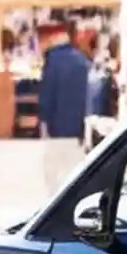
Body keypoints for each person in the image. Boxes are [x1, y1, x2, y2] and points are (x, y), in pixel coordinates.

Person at [37, 22, 92, 183]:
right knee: (73, 171)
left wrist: (43, 121)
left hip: (57, 126)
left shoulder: (52, 61)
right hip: (77, 127)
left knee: (52, 171)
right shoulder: (82, 60)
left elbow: (47, 94)